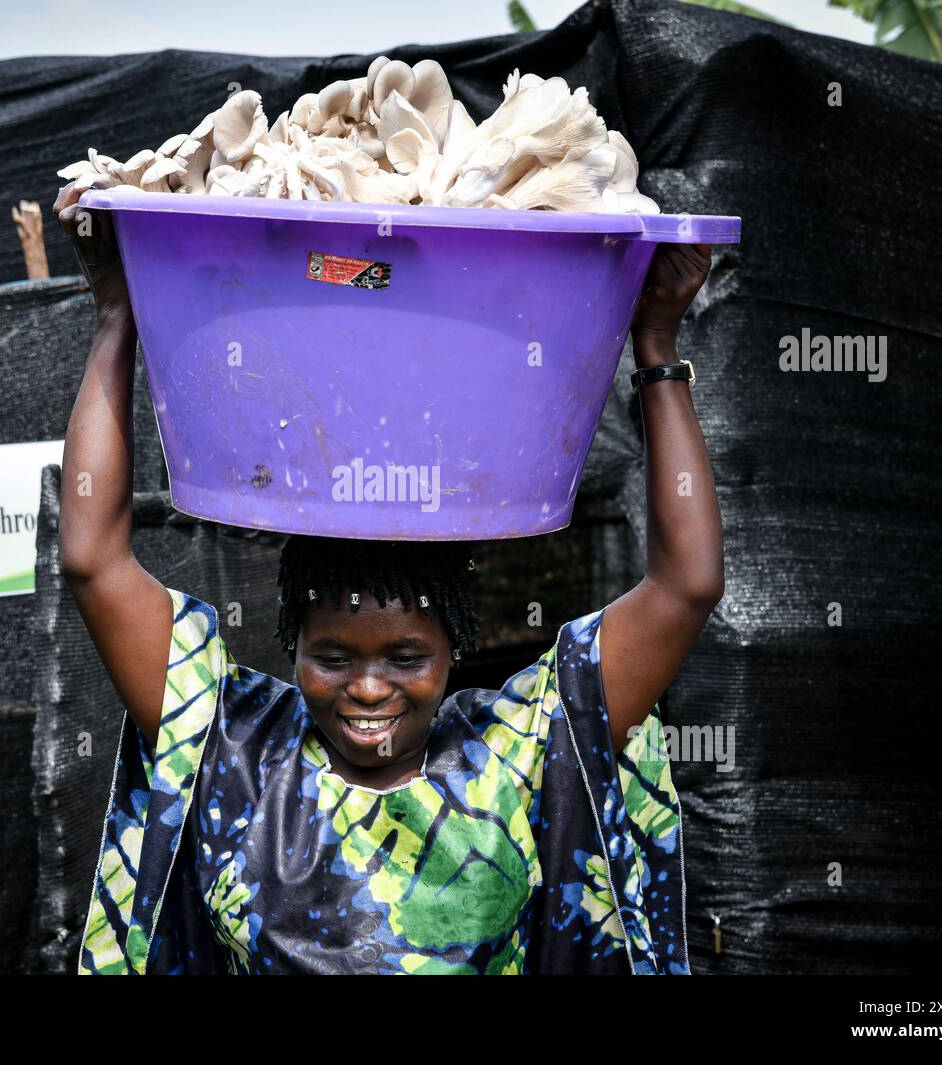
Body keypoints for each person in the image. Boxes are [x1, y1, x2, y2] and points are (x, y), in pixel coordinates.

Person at [53, 179, 723, 975]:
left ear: (454, 649)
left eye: (405, 656)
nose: (368, 688)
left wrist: (654, 342)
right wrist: (117, 312)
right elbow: (92, 559)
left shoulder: (519, 752)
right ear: (291, 643)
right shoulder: (232, 746)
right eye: (333, 656)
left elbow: (688, 584)